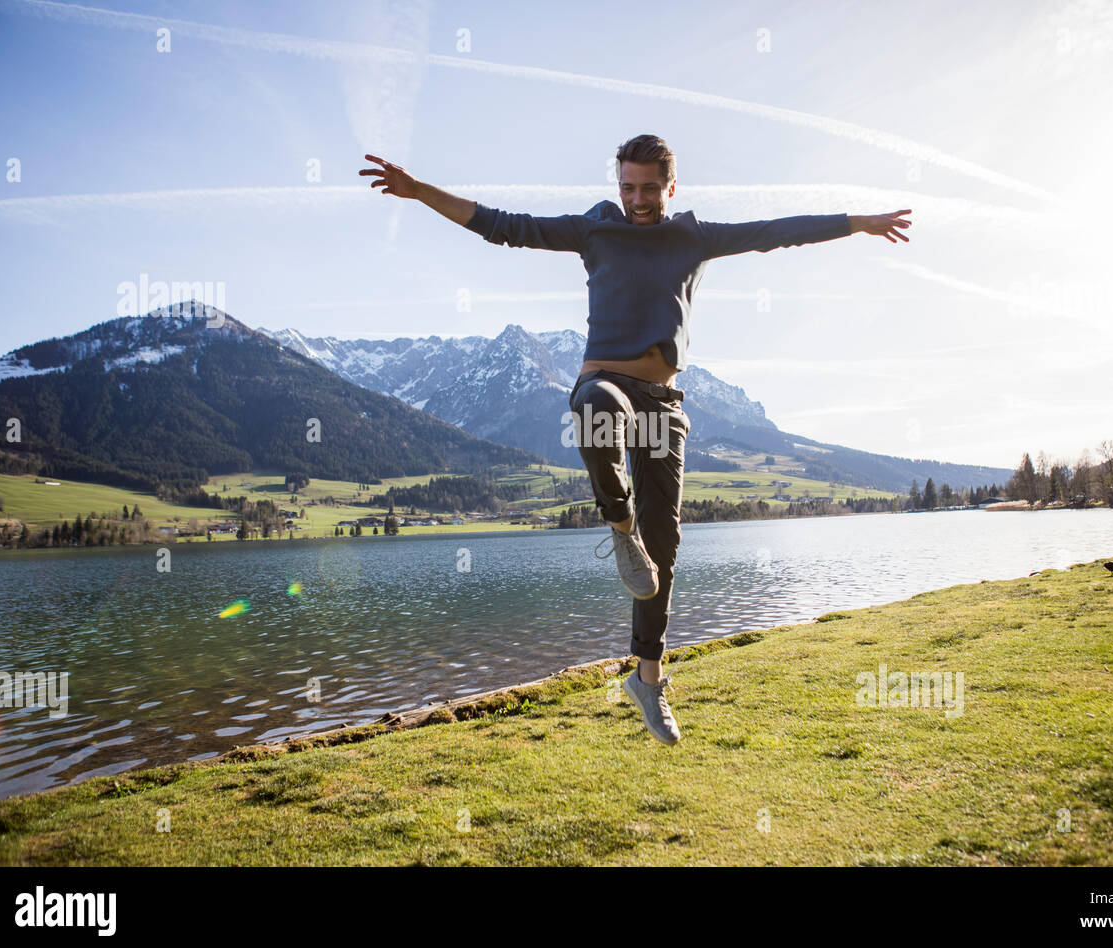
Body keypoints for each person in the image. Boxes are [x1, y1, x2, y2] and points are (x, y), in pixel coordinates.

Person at [360, 134, 911, 745]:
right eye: (628, 187)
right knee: (597, 408)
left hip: (664, 403)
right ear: (616, 183)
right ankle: (620, 528)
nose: (638, 199)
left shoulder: (693, 238)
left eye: (650, 188)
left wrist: (859, 222)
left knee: (665, 545)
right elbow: (501, 225)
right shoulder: (596, 232)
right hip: (607, 381)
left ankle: (648, 679)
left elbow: (775, 230)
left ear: (670, 187)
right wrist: (418, 191)